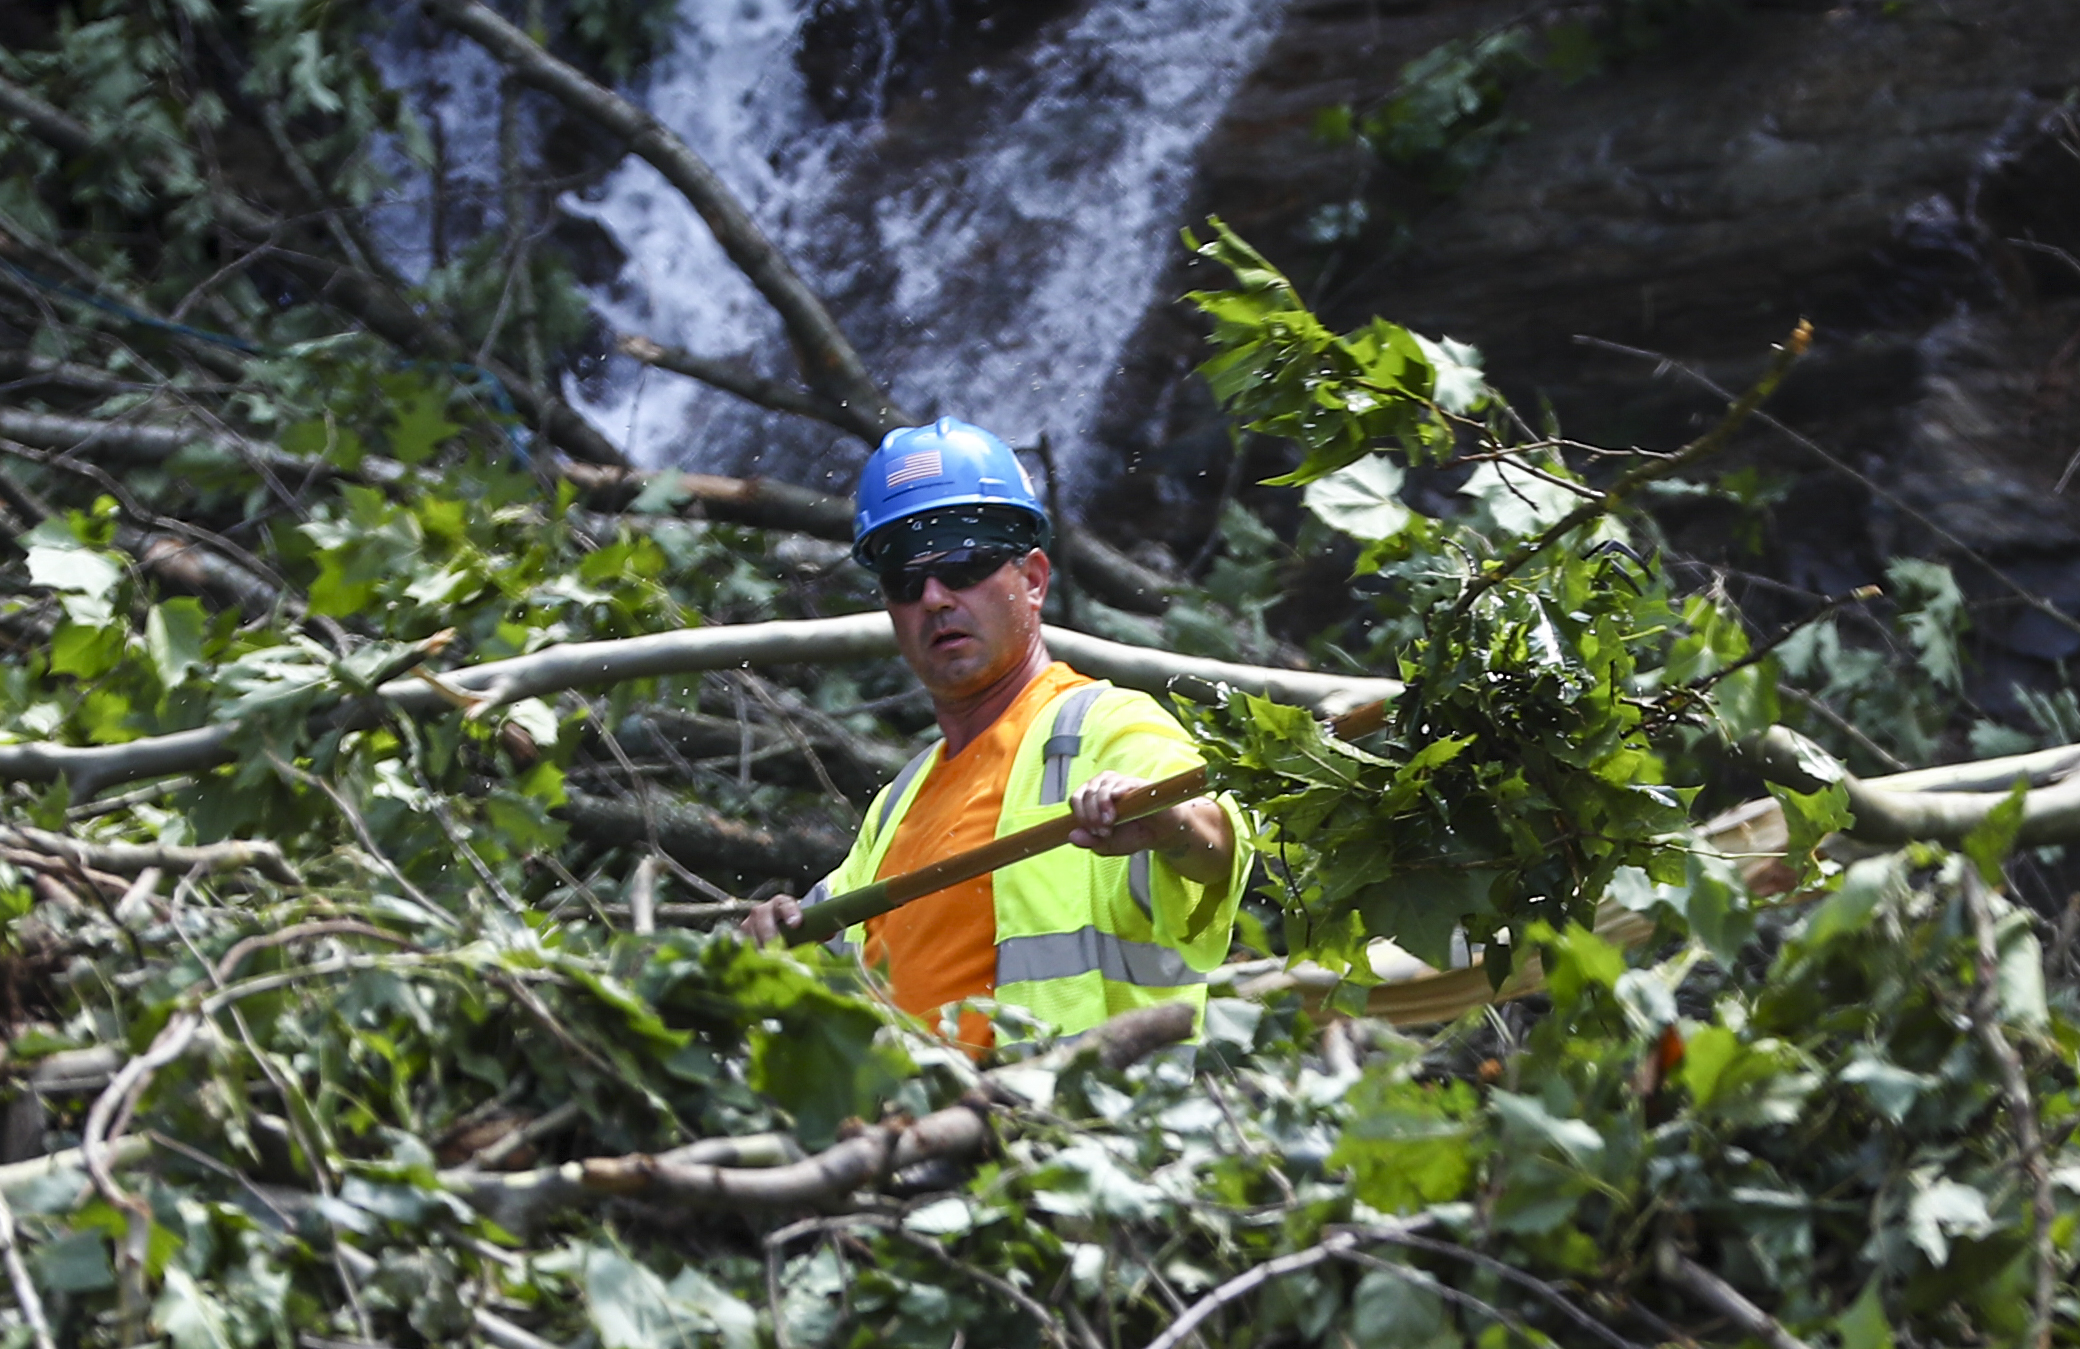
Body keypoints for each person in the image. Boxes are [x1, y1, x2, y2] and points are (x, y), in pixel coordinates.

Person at [741, 417, 1252, 1046]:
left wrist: (1169, 824)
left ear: (1033, 580)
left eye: (962, 563)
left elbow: (1219, 838)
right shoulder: (900, 801)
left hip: (1078, 1129)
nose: (933, 596)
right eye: (906, 577)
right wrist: (774, 940)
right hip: (916, 1133)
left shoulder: (1104, 724)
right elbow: (828, 957)